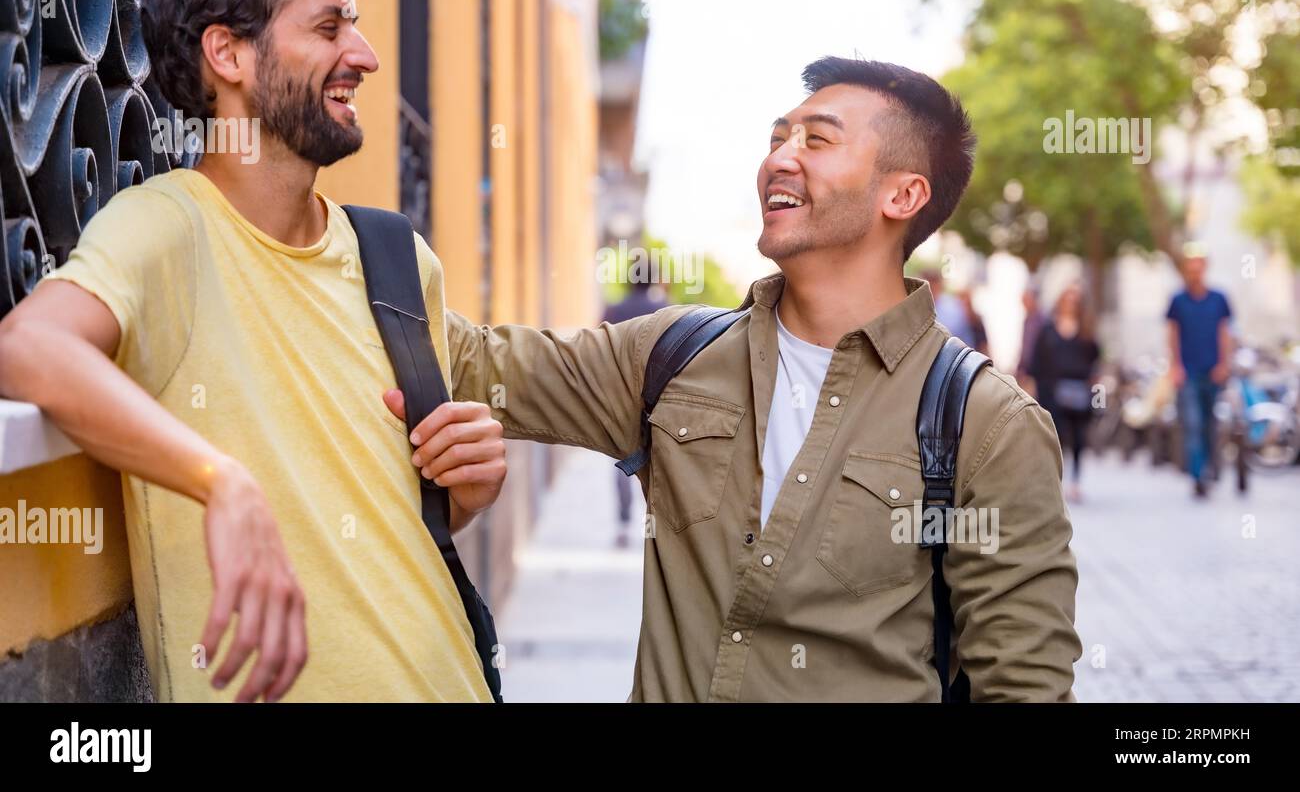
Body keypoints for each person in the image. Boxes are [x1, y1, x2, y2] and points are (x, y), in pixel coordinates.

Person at [390, 57, 1081, 701]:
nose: (779, 158)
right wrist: (328, 227)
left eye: (817, 140)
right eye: (779, 136)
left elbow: (1024, 686)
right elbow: (470, 359)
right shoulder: (671, 355)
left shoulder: (985, 423)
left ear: (902, 194)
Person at [0, 0, 507, 702]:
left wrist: (461, 491)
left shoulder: (400, 259)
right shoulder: (169, 228)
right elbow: (28, 347)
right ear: (229, 54)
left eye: (358, 27)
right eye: (328, 27)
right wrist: (220, 481)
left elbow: (383, 531)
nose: (365, 57)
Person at [601, 279, 667, 543]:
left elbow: (601, 350)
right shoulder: (663, 309)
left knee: (622, 461)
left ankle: (624, 523)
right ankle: (655, 524)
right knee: (656, 463)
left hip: (620, 398)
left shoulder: (614, 309)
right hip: (654, 398)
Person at [1166, 245, 1233, 498]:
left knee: (1210, 423)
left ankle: (1210, 467)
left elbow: (1224, 333)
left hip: (1213, 369)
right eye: (1190, 267)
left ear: (1204, 268)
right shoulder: (1178, 300)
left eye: (1198, 266)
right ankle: (1198, 475)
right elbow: (1172, 334)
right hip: (1189, 372)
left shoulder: (1219, 299)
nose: (1195, 272)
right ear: (1186, 270)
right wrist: (1176, 366)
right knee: (1192, 423)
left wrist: (1224, 364)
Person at [1028, 283, 1100, 503]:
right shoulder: (1048, 330)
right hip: (1052, 393)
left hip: (1079, 392)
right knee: (1054, 437)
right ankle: (1054, 480)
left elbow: (1095, 360)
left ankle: (1076, 481)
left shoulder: (1087, 331)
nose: (1071, 303)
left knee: (1078, 437)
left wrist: (1095, 392)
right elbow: (1037, 362)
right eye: (1068, 298)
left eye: (1075, 300)